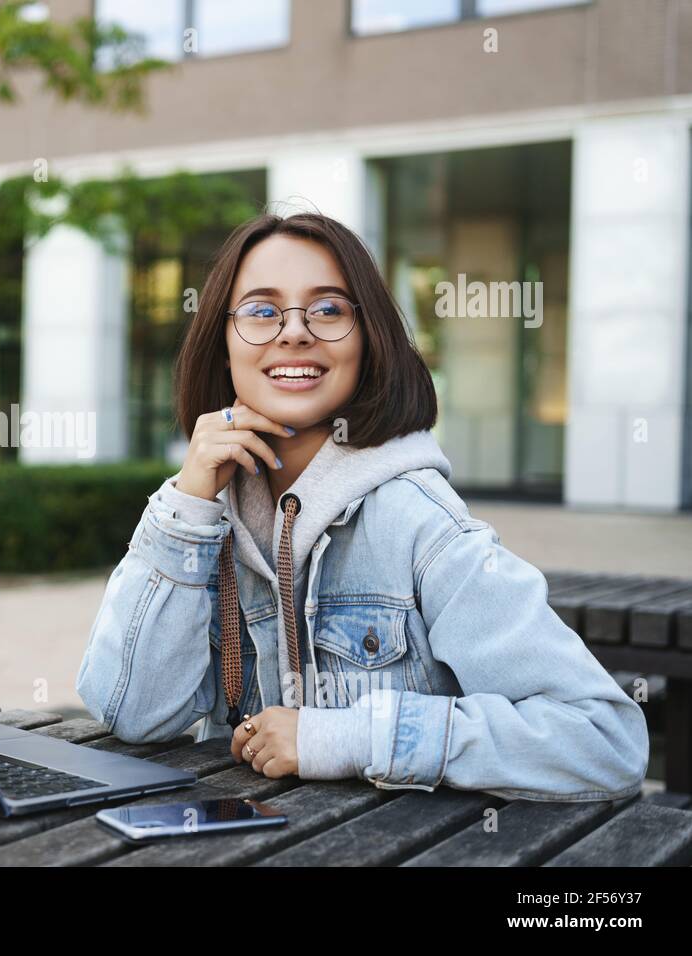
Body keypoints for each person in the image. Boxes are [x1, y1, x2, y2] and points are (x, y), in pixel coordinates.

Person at [75, 211, 649, 802]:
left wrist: (352, 737)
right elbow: (134, 715)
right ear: (223, 346)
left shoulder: (421, 522)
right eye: (261, 310)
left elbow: (604, 740)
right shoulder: (206, 517)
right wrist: (186, 505)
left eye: (327, 309)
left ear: (368, 341)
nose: (294, 332)